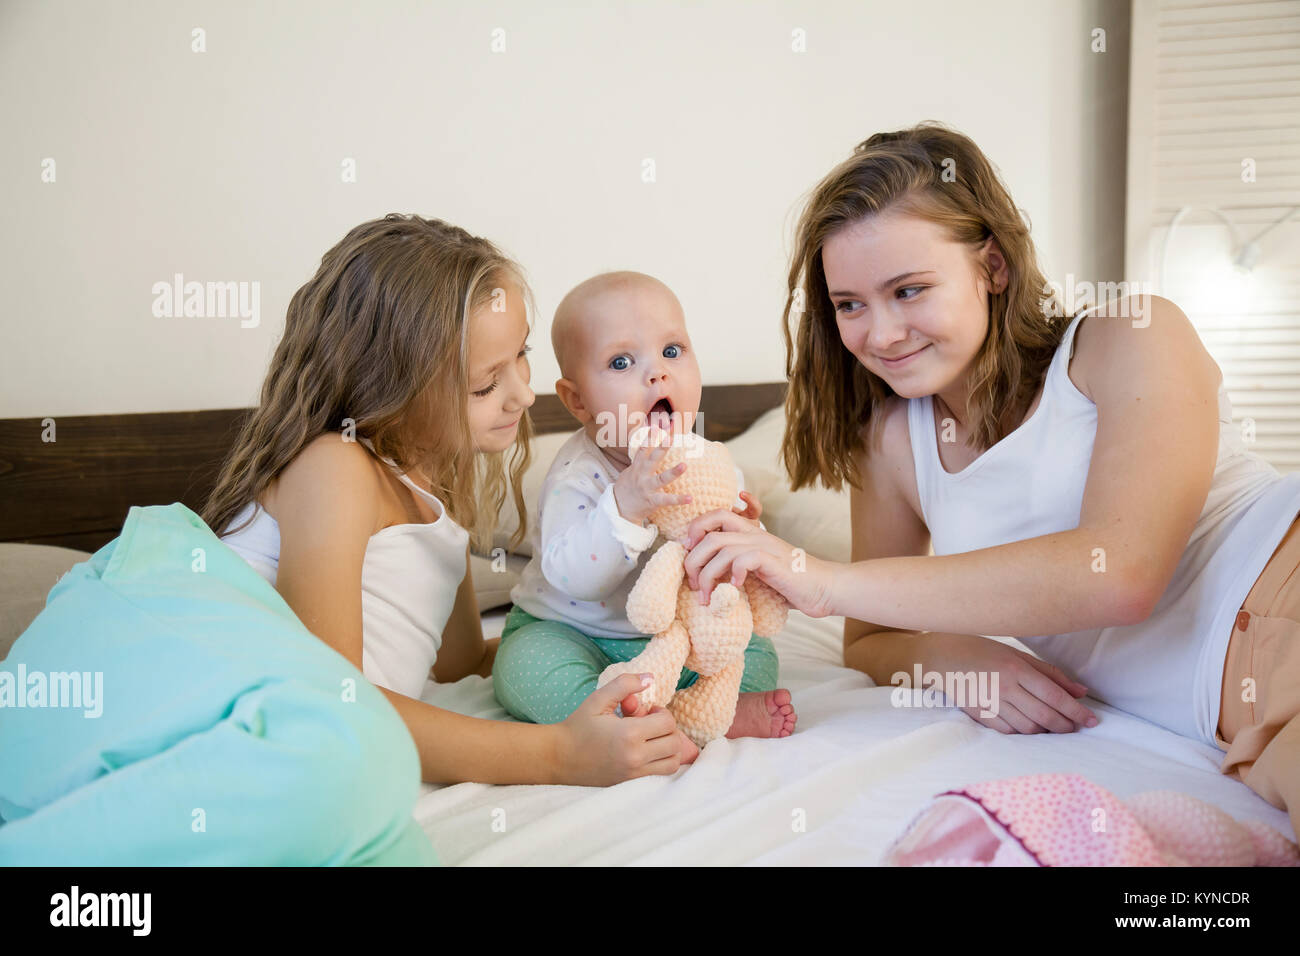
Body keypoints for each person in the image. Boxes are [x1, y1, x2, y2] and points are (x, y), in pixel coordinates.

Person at [679, 123, 1300, 835]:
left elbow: (1122, 573)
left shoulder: (1129, 336)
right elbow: (871, 638)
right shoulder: (892, 442)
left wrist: (820, 579)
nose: (881, 334)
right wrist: (950, 656)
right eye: (850, 304)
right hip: (1232, 714)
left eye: (909, 290)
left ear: (993, 267)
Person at [208, 215, 693, 788]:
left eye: (520, 354)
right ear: (392, 388)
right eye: (485, 384)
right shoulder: (333, 467)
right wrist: (559, 754)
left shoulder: (434, 488)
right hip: (224, 724)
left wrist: (610, 647)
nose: (523, 394)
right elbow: (331, 699)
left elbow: (460, 661)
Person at [491, 271, 797, 764]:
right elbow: (574, 579)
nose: (657, 374)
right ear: (577, 400)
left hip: (680, 642)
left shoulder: (706, 461)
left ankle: (705, 710)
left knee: (753, 649)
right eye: (621, 362)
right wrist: (625, 507)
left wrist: (744, 532)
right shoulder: (577, 474)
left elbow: (729, 569)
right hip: (575, 633)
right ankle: (658, 722)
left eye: (672, 351)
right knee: (523, 667)